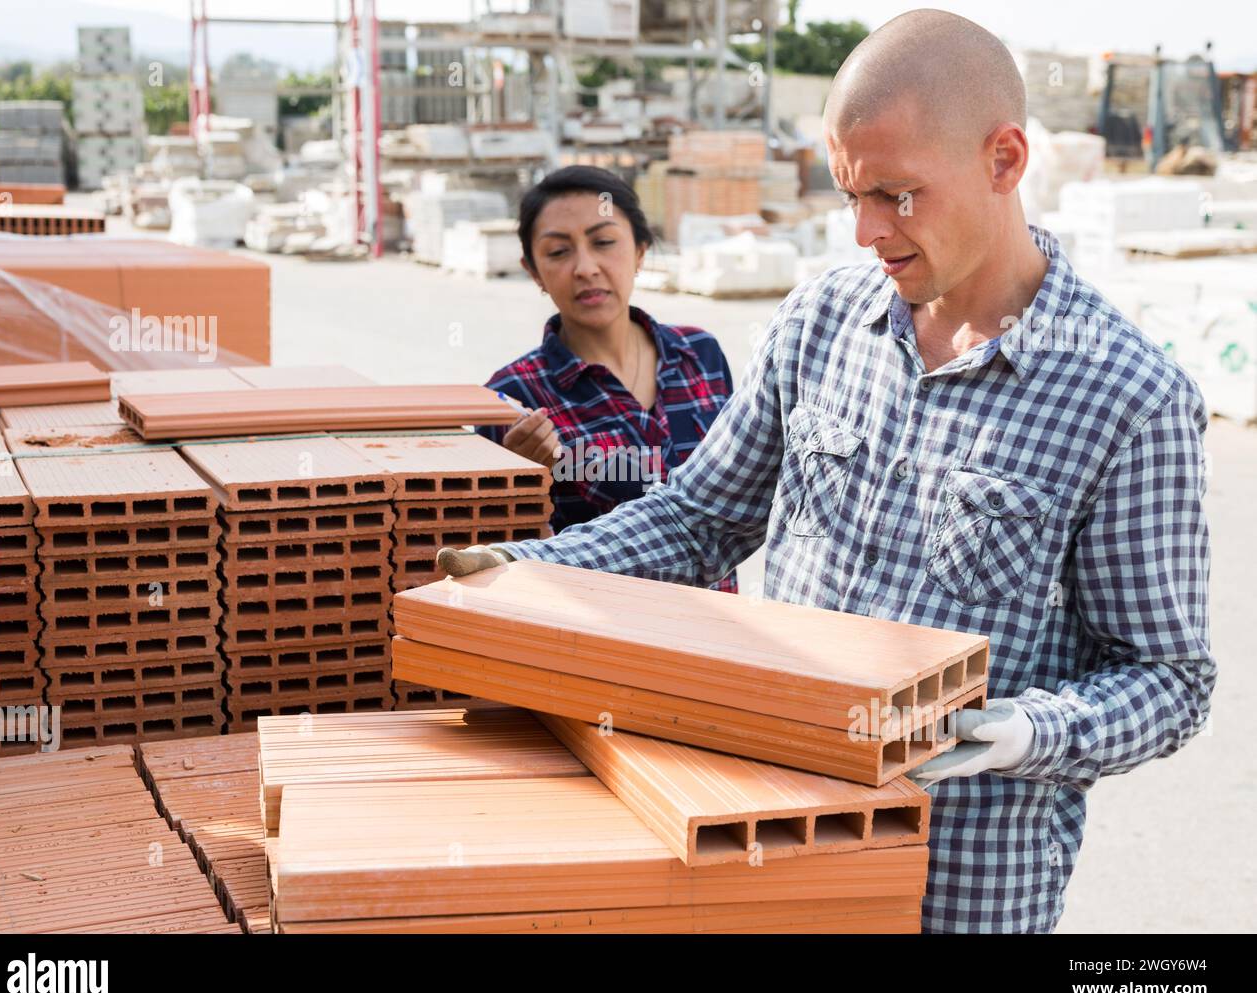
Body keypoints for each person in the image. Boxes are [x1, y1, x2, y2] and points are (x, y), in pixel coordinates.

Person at [440, 10, 1216, 933]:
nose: (864, 230)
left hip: (962, 881)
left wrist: (1024, 729)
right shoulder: (824, 321)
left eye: (896, 194)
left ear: (1004, 160)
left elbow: (1167, 678)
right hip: (774, 838)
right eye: (850, 193)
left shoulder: (1127, 396)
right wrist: (541, 570)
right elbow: (700, 519)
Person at [475, 165, 738, 591]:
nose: (586, 267)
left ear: (640, 251)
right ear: (534, 272)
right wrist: (521, 483)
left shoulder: (700, 356)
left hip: (721, 631)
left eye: (604, 242)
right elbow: (493, 558)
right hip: (599, 641)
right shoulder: (511, 399)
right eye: (558, 252)